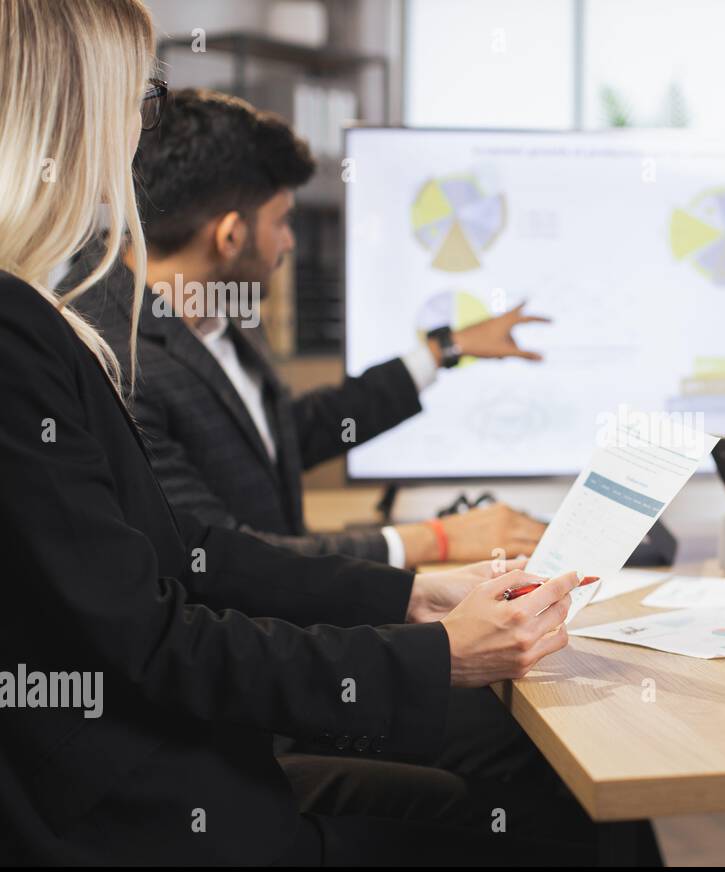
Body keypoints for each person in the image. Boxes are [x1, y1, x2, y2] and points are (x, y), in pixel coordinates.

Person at [0, 0, 587, 865]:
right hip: (140, 815)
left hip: (189, 755)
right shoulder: (38, 332)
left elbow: (192, 540)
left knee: (545, 801)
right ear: (73, 114)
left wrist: (404, 595)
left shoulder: (155, 327)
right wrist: (433, 647)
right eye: (137, 98)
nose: (136, 131)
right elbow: (157, 632)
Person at [62, 87, 546, 570]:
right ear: (231, 235)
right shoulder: (110, 355)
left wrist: (444, 350)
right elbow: (216, 556)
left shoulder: (212, 310)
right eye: (282, 222)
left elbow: (279, 439)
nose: (290, 242)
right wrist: (434, 539)